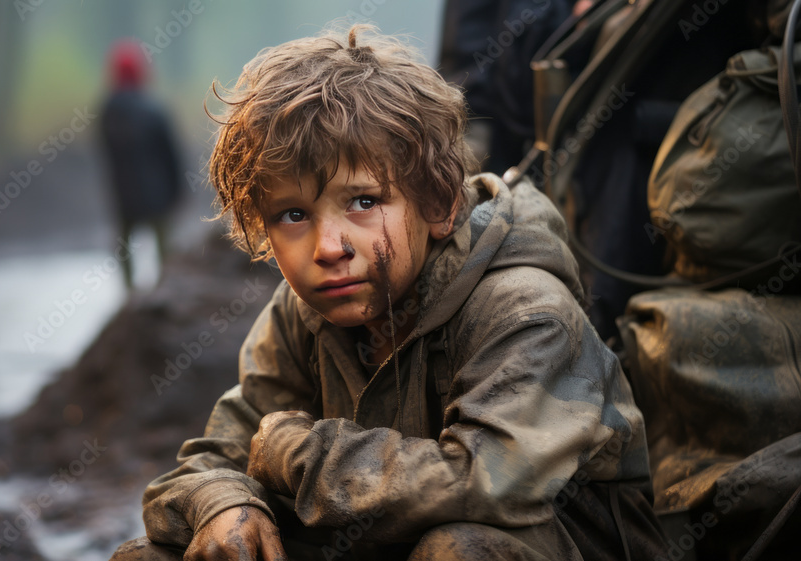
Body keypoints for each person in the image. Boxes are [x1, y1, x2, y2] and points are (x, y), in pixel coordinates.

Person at [110, 24, 666, 560]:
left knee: (457, 550)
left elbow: (489, 483)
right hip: (387, 539)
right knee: (152, 554)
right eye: (293, 214)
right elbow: (212, 460)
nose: (328, 246)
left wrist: (302, 457)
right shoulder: (303, 312)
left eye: (364, 202)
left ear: (438, 203)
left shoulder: (522, 308)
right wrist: (223, 503)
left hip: (552, 543)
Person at [99, 40, 183, 290]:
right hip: (158, 194)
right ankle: (164, 291)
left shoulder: (107, 113)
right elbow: (170, 155)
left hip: (124, 196)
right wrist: (178, 191)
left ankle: (129, 294)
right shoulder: (154, 110)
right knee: (165, 248)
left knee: (124, 247)